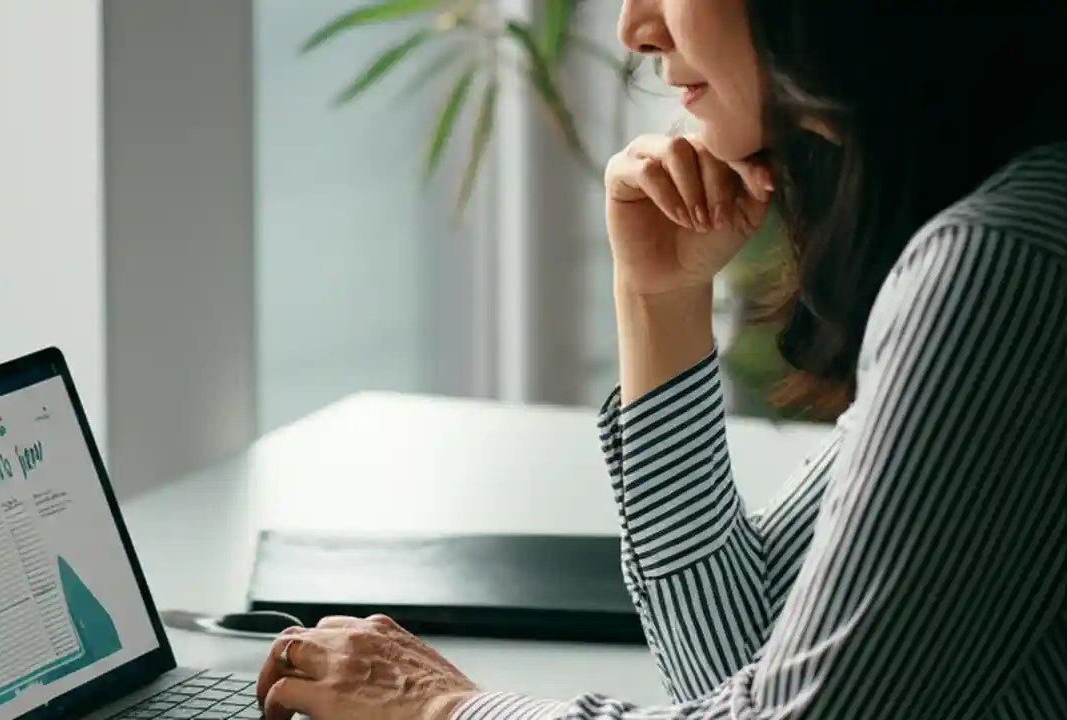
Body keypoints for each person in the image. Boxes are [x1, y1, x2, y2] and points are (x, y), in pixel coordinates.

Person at [255, 0, 1067, 717]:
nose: (633, 29)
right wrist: (660, 299)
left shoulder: (1005, 263)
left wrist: (440, 709)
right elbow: (741, 662)